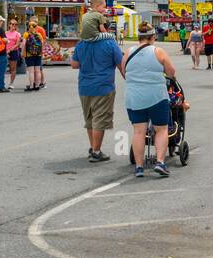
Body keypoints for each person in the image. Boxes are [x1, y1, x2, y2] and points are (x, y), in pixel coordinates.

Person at [71, 13, 125, 163]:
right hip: (103, 87)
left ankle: (93, 147)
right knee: (100, 119)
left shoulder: (81, 44)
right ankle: (96, 151)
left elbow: (74, 64)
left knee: (90, 119)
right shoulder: (109, 43)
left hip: (84, 87)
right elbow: (121, 65)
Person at [124, 23, 175, 178]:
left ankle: (139, 167)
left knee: (139, 131)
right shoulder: (158, 51)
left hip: (134, 96)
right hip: (156, 97)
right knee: (161, 129)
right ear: (153, 37)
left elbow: (124, 71)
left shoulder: (128, 52)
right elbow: (171, 72)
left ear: (139, 36)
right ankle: (160, 162)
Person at [24, 18, 46, 91]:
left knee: (31, 71)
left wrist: (22, 53)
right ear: (36, 27)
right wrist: (41, 52)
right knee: (37, 71)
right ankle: (37, 85)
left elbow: (23, 44)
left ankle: (31, 86)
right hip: (38, 55)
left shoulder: (26, 34)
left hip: (29, 55)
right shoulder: (39, 34)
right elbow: (42, 44)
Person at [5, 18, 23, 88]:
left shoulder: (17, 34)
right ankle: (1, 83)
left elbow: (17, 44)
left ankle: (11, 83)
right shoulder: (5, 33)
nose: (13, 26)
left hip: (13, 52)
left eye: (15, 24)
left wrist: (10, 50)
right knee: (3, 68)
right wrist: (6, 51)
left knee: (13, 68)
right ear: (9, 25)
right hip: (5, 52)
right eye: (12, 24)